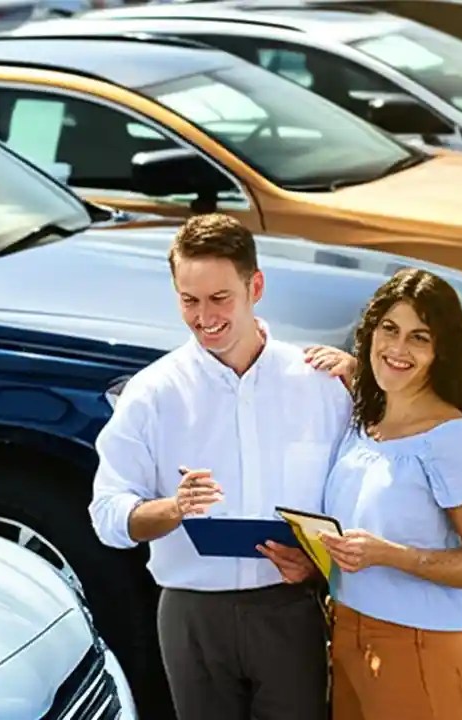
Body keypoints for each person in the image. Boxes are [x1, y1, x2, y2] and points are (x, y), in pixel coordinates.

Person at [87, 213, 351, 720]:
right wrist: (173, 509)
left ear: (255, 286)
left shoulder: (318, 384)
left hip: (291, 611)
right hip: (191, 613)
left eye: (218, 298)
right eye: (189, 300)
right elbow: (107, 515)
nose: (204, 317)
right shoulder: (151, 394)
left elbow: (356, 501)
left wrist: (320, 569)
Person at [315, 268, 462, 720]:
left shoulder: (453, 442)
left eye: (419, 338)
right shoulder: (364, 423)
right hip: (345, 634)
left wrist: (390, 555)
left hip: (419, 648)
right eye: (390, 329)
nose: (398, 349)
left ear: (441, 351)